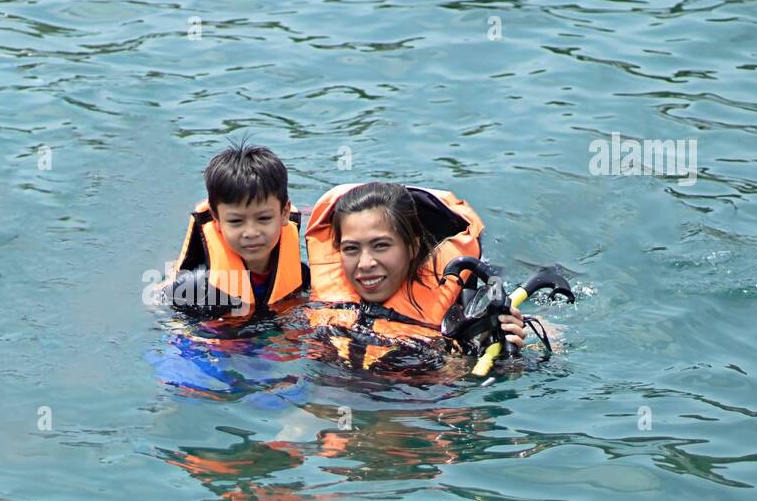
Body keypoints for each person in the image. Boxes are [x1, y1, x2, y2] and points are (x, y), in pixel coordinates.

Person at [303, 181, 528, 369]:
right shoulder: (309, 299)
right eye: (351, 249)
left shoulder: (466, 314)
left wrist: (505, 352)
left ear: (412, 247)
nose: (365, 263)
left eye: (381, 245)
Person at [163, 143, 310, 320]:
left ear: (284, 213)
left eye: (263, 219)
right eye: (236, 221)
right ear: (216, 219)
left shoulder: (302, 276)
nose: (251, 232)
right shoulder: (195, 288)